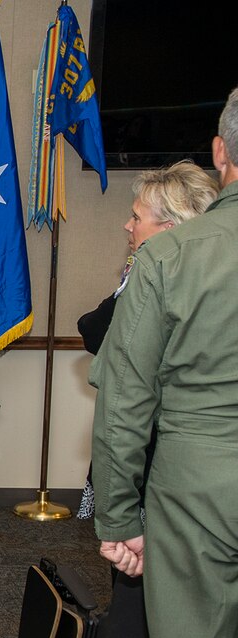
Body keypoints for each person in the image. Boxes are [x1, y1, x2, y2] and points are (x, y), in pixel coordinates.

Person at [91, 86, 238, 638]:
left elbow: (125, 405)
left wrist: (120, 519)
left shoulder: (172, 256)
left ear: (219, 152)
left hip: (197, 489)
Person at [76, 161, 217, 517]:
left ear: (170, 229)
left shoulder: (155, 279)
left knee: (139, 547)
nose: (128, 225)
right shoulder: (211, 275)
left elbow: (94, 330)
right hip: (196, 459)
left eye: (137, 218)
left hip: (154, 447)